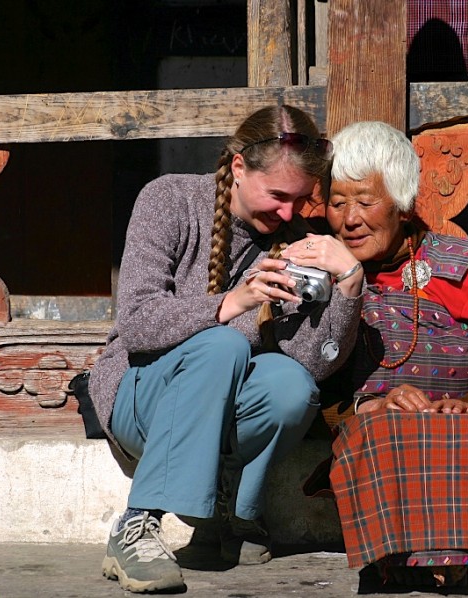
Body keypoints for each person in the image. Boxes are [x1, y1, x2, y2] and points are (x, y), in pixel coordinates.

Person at [88, 105, 365, 593]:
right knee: (223, 346)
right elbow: (135, 326)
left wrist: (349, 285)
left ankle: (230, 509)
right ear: (238, 166)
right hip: (140, 396)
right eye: (277, 195)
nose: (287, 213)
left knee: (291, 385)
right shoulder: (169, 199)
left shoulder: (292, 241)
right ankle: (137, 524)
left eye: (299, 201)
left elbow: (310, 363)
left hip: (218, 406)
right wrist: (231, 303)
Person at [315, 121, 468, 588]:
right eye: (338, 204)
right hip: (376, 441)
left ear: (401, 204)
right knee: (381, 432)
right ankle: (407, 561)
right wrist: (366, 406)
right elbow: (308, 387)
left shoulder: (464, 267)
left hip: (464, 436)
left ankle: (448, 560)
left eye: (365, 201)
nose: (350, 219)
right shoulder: (317, 275)